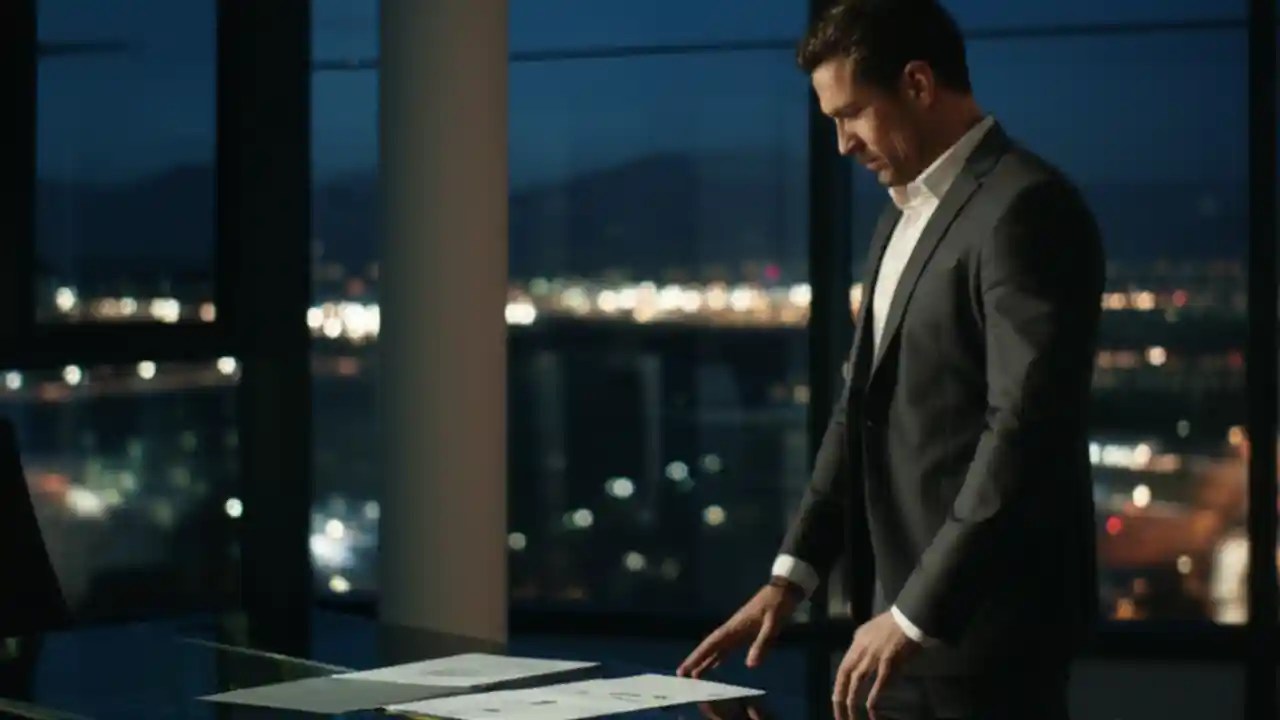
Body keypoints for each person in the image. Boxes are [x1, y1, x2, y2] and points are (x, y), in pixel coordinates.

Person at [677, 1, 1104, 718]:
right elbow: (860, 412)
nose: (842, 143)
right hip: (890, 635)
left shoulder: (1026, 208)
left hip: (982, 641)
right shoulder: (899, 217)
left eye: (852, 114)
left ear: (917, 83)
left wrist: (915, 614)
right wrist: (791, 577)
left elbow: (1025, 434)